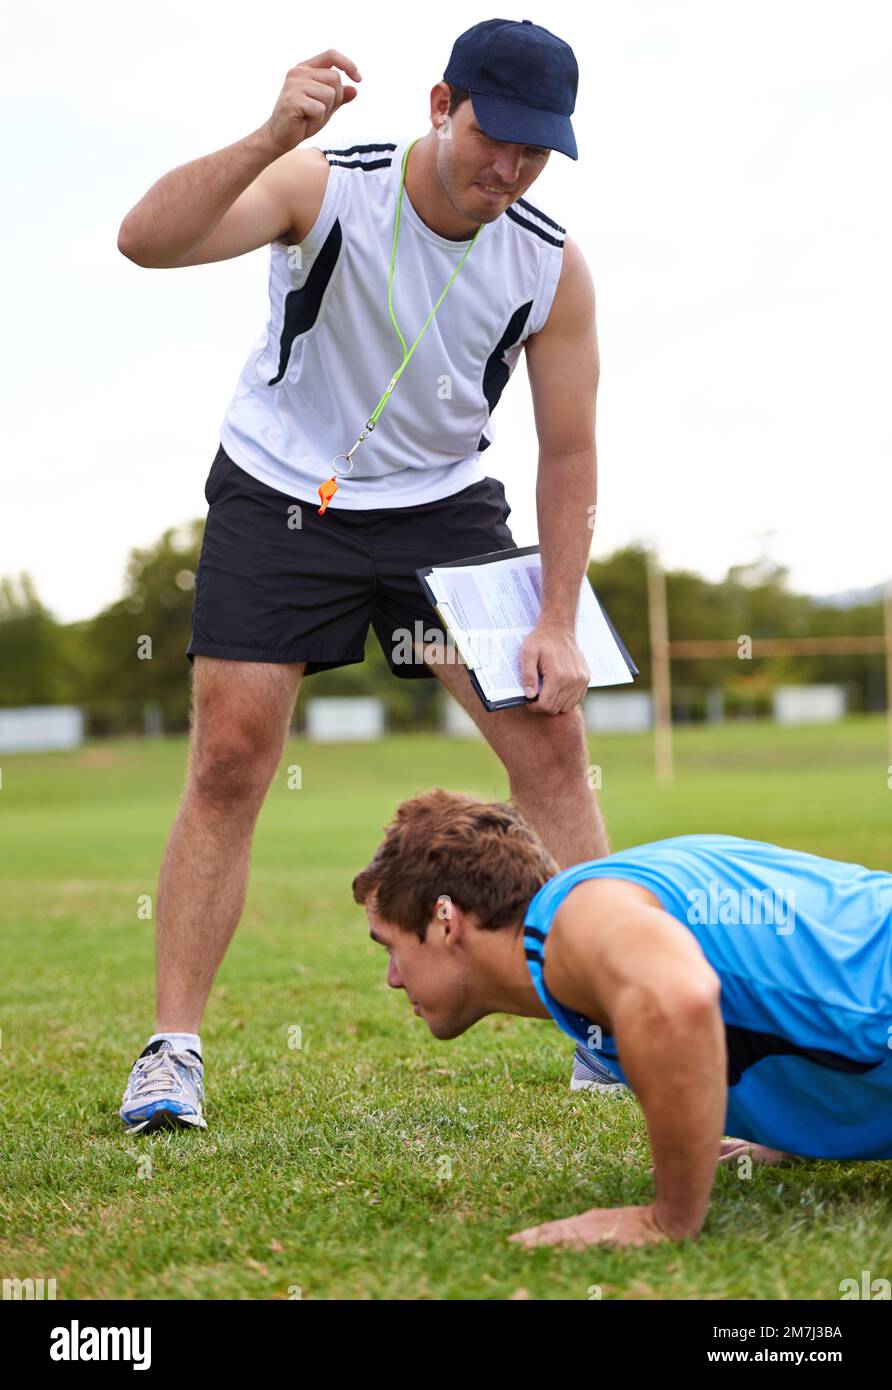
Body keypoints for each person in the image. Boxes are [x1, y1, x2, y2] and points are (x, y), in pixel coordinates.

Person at [116, 20, 610, 1133]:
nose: (510, 169)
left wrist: (560, 619)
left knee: (552, 736)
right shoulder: (325, 184)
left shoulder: (549, 260)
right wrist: (267, 135)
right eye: (495, 138)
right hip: (285, 495)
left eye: (537, 152)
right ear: (442, 104)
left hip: (441, 510)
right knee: (232, 757)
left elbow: (569, 451)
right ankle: (172, 1051)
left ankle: (606, 1016)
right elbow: (144, 241)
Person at [354, 788, 892, 1248]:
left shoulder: (577, 921)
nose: (393, 979)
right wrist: (786, 1127)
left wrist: (666, 1219)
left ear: (446, 921)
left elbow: (680, 997)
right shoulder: (601, 900)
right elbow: (781, 960)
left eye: (390, 947)